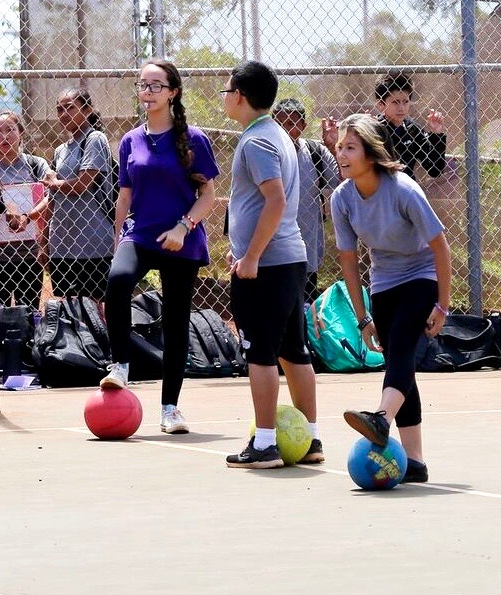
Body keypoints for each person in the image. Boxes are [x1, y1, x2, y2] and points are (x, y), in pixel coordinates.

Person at [99, 60, 219, 437]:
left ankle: (170, 408)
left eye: (155, 86)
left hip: (180, 237)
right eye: (142, 85)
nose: (147, 92)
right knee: (118, 281)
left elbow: (208, 195)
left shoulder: (193, 139)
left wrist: (184, 227)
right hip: (141, 234)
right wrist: (119, 237)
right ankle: (120, 365)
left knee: (176, 321)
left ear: (173, 92)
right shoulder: (130, 141)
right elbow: (125, 195)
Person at [333, 114, 451, 485]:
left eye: (350, 147)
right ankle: (414, 460)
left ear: (370, 153)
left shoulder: (403, 189)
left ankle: (381, 420)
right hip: (383, 283)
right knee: (399, 365)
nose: (342, 154)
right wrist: (362, 317)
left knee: (400, 352)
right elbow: (349, 262)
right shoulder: (342, 199)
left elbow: (440, 247)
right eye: (339, 147)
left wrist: (442, 306)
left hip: (421, 275)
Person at [222, 61, 323, 469]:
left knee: (260, 352)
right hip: (286, 260)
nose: (225, 96)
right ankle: (311, 439)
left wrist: (251, 257)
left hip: (268, 264)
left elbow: (276, 200)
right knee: (292, 350)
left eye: (227, 89)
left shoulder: (257, 141)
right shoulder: (274, 133)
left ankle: (264, 444)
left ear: (240, 96)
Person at [43, 89, 114, 300]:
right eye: (59, 109)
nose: (64, 114)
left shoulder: (95, 139)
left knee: (95, 308)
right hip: (63, 244)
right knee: (69, 307)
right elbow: (51, 200)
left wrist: (54, 182)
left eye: (70, 107)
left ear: (87, 110)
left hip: (93, 242)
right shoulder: (60, 151)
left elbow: (83, 184)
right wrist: (44, 242)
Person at [271, 97, 341, 303]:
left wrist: (333, 147)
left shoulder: (316, 153)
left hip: (306, 248)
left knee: (305, 307)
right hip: (271, 249)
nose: (286, 130)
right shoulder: (265, 152)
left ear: (303, 126)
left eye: (292, 124)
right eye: (281, 124)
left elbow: (342, 183)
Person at [0, 111, 51, 308]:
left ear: (21, 133)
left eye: (10, 130)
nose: (4, 137)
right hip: (1, 254)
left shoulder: (35, 164)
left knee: (28, 310)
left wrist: (27, 217)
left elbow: (51, 195)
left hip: (29, 251)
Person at [374, 72, 447, 181]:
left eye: (405, 102)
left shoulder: (412, 129)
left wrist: (436, 134)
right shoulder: (375, 129)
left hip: (406, 190)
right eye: (395, 102)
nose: (401, 108)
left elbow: (435, 170)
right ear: (381, 104)